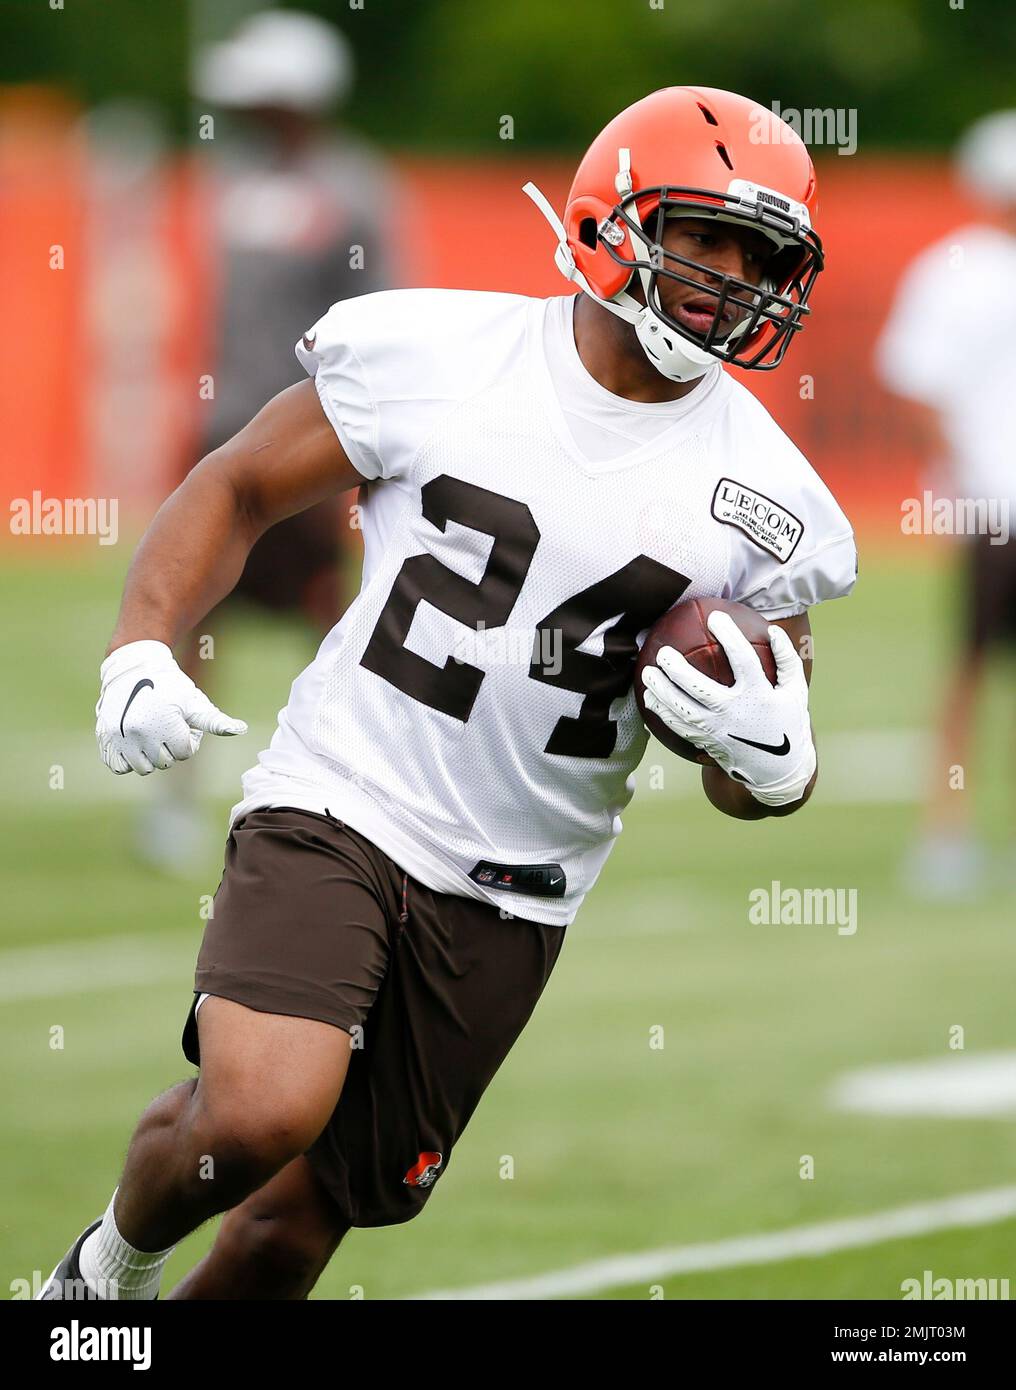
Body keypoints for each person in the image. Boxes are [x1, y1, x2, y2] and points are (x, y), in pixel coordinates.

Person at [41, 86, 856, 1300]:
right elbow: (239, 486)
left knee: (287, 1233)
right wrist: (141, 645)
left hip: (516, 892)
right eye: (704, 236)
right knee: (260, 1109)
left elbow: (749, 775)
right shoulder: (437, 354)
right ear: (611, 220)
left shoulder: (774, 501)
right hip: (345, 796)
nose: (733, 276)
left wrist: (774, 768)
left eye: (762, 254)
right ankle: (100, 1281)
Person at [140, 8, 394, 870]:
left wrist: (355, 456)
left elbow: (378, 318)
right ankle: (173, 800)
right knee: (192, 615)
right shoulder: (233, 183)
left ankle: (351, 791)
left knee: (336, 619)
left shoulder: (355, 188)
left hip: (310, 443)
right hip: (224, 435)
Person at [875, 111, 1016, 898]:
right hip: (993, 504)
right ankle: (947, 831)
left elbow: (914, 383)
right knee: (968, 671)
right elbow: (918, 383)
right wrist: (968, 463)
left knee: (968, 672)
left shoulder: (953, 268)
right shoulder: (959, 271)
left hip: (988, 496)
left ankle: (951, 834)